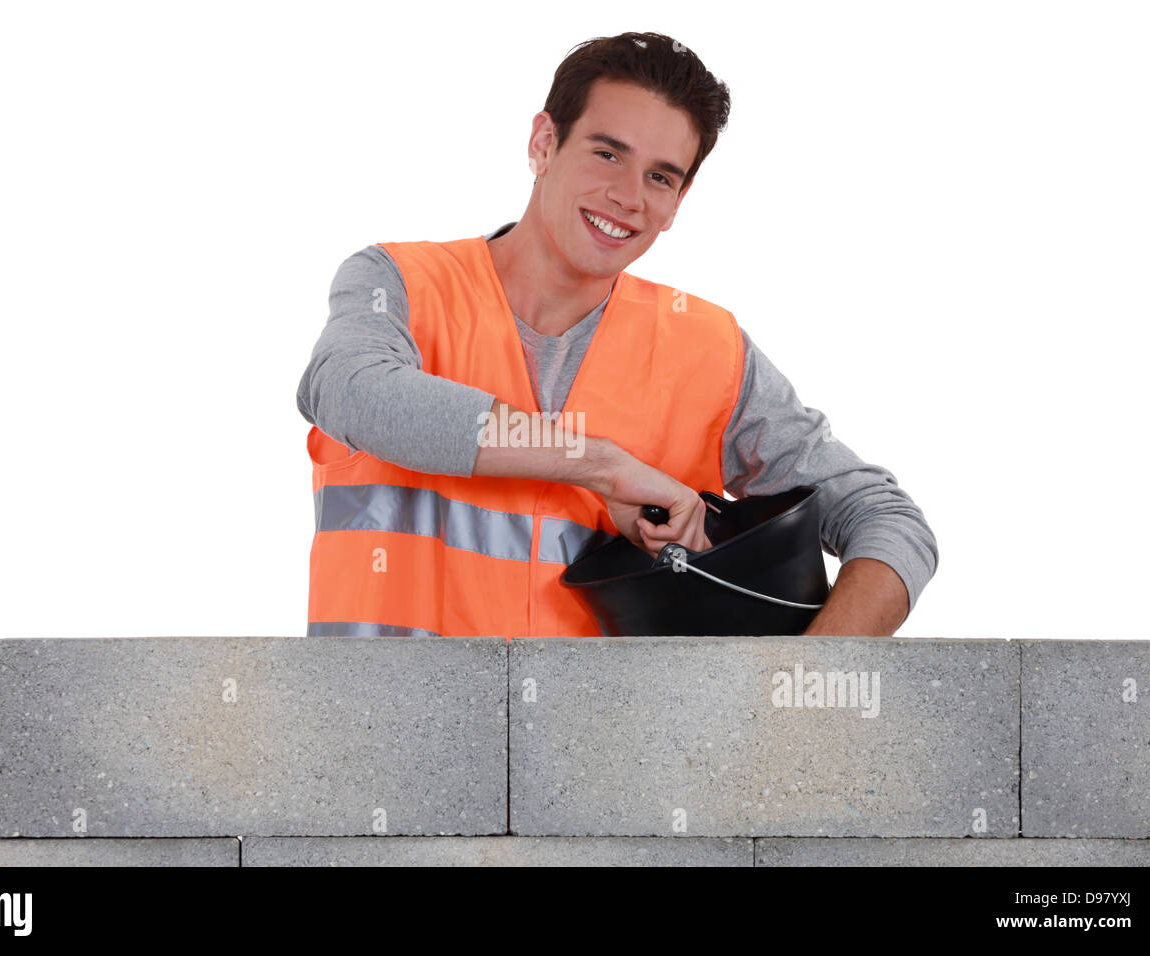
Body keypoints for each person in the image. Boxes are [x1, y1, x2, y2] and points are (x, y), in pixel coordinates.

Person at [296, 31, 937, 639]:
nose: (628, 196)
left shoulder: (707, 349)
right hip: (379, 737)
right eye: (608, 153)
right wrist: (603, 466)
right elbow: (351, 393)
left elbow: (890, 522)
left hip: (601, 749)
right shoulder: (400, 285)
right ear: (544, 143)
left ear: (679, 200)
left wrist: (809, 684)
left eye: (661, 176)